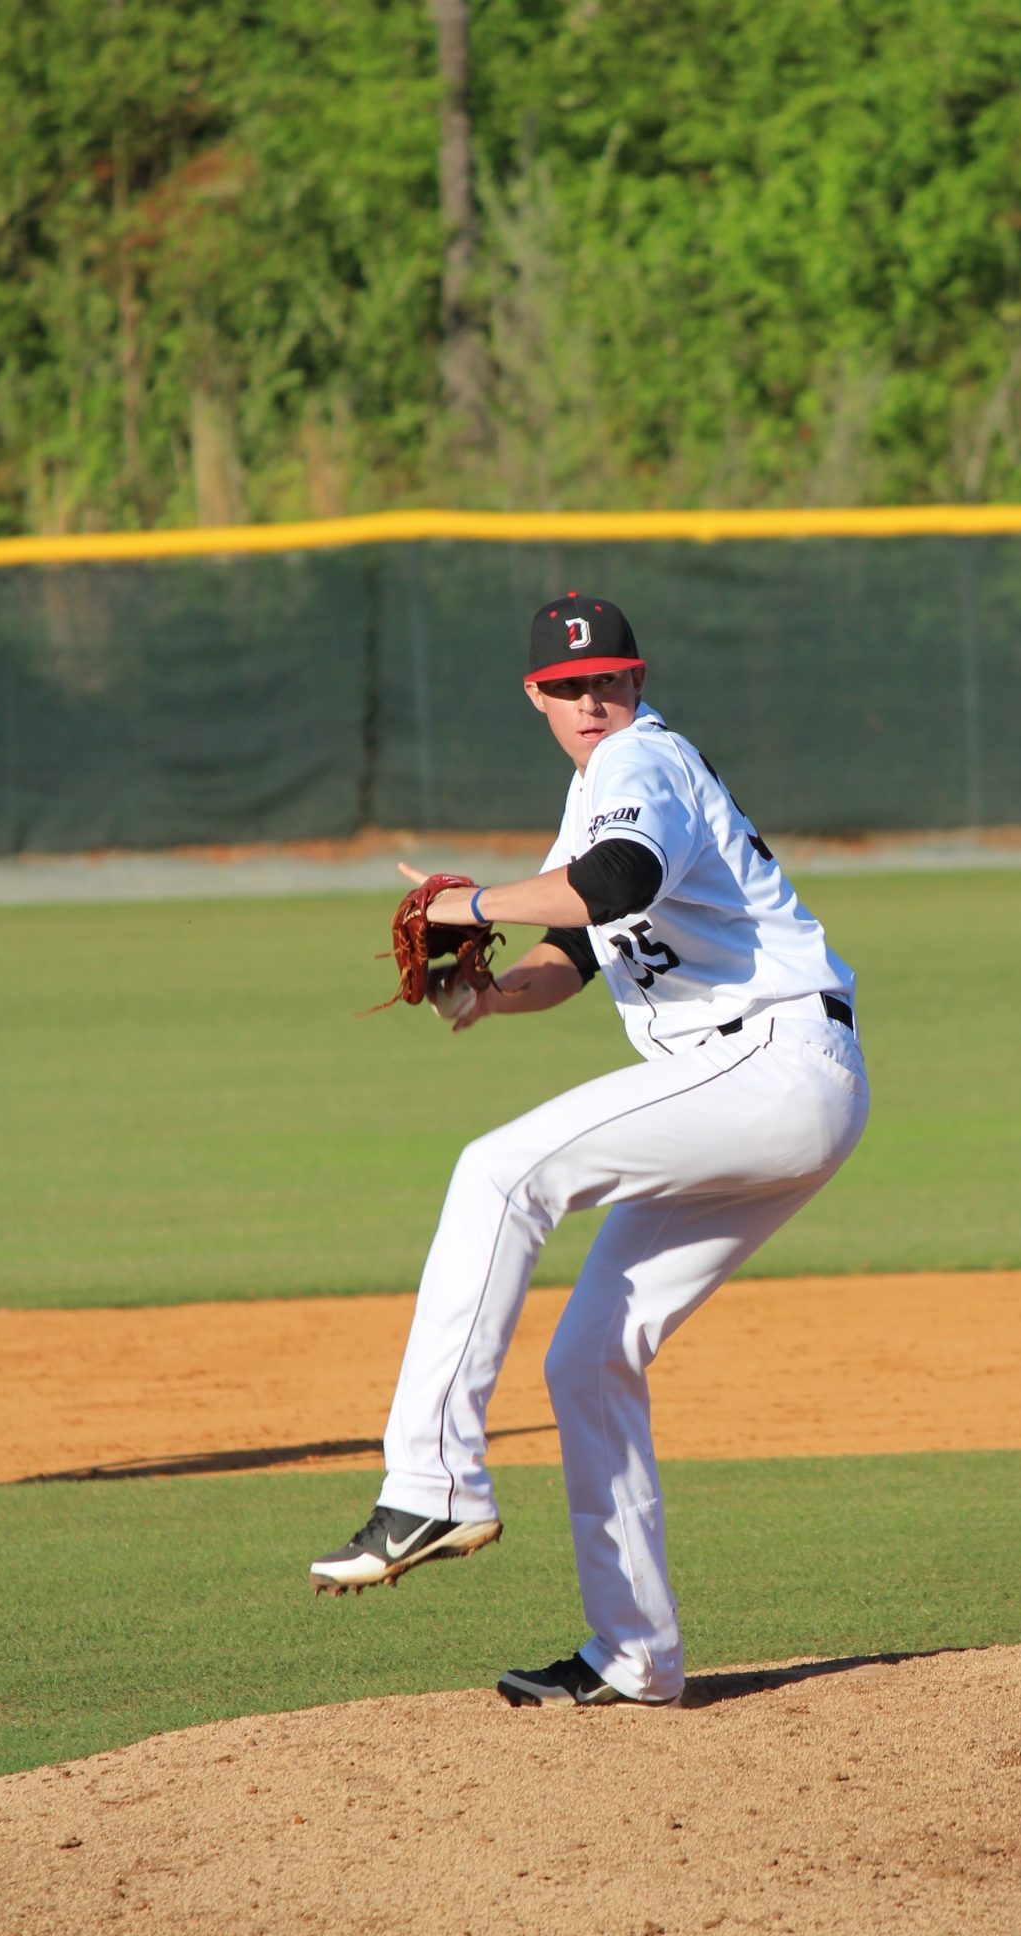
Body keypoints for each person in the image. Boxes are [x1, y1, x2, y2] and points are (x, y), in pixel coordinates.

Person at [310, 594, 870, 1708]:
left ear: (636, 681)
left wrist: (468, 899)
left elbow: (617, 883)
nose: (590, 700)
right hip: (765, 1083)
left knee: (498, 1171)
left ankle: (432, 1484)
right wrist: (489, 993)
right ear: (537, 695)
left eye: (607, 680)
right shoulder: (601, 788)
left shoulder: (640, 759)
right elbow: (579, 942)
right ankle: (636, 1654)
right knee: (590, 1356)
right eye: (568, 687)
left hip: (768, 1058)